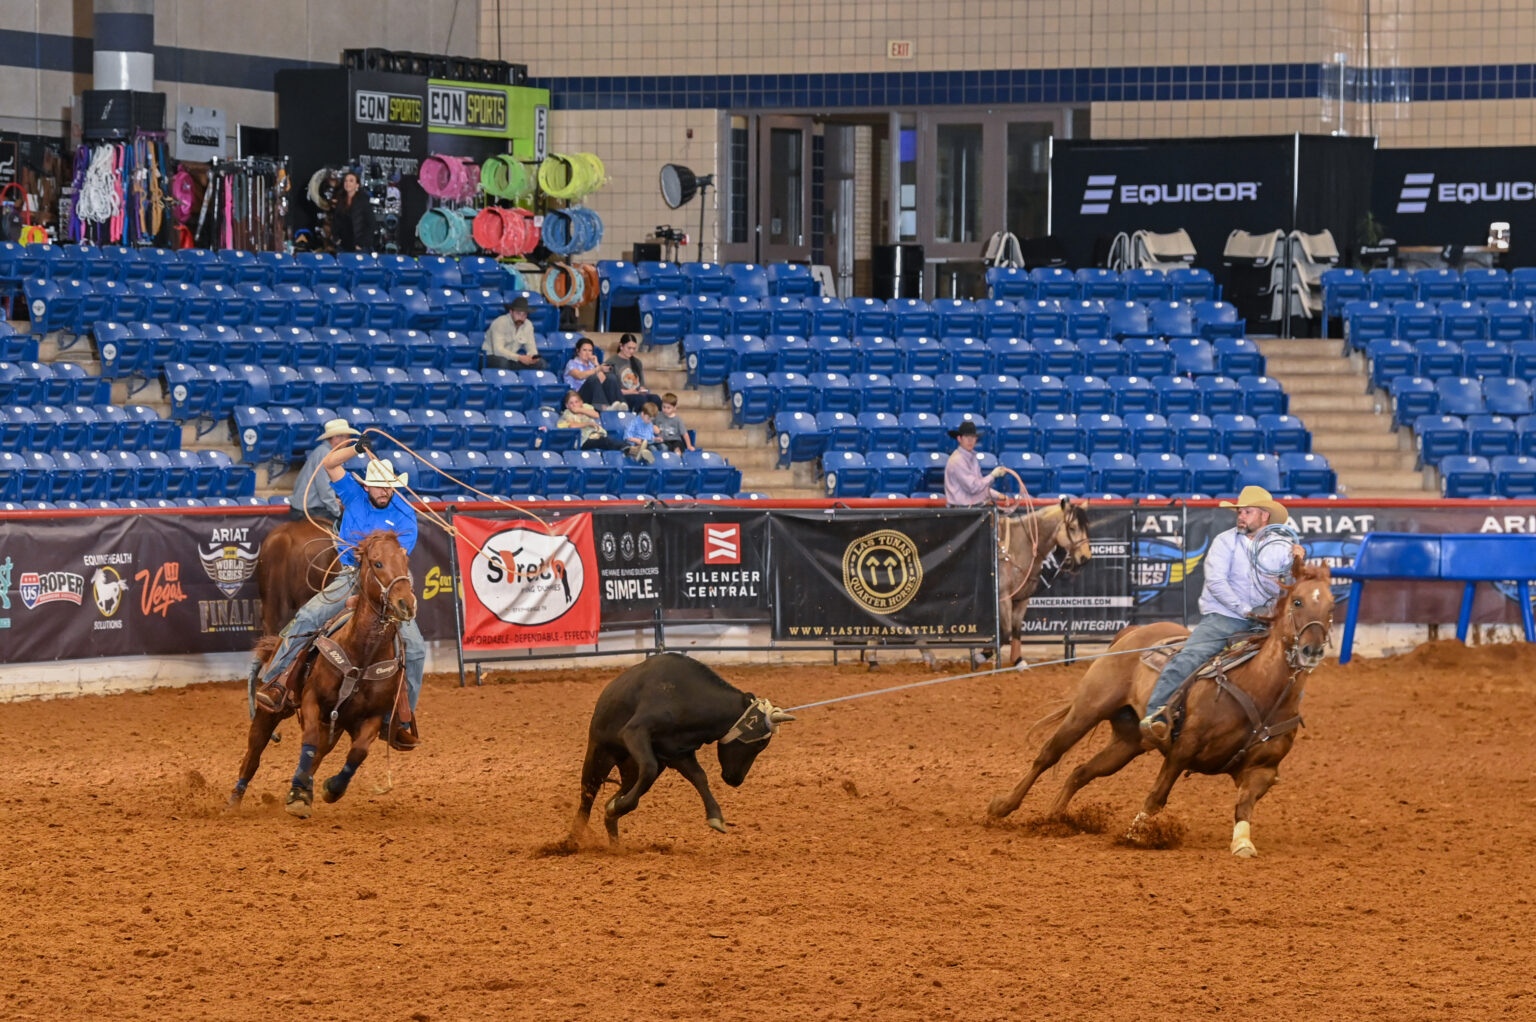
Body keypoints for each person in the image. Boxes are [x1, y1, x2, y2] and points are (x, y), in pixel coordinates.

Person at [254, 435, 426, 751]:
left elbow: (395, 559)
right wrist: (356, 448)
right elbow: (330, 463)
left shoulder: (405, 513)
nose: (384, 491)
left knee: (415, 649)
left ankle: (398, 718)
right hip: (350, 576)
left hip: (387, 584)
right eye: (378, 486)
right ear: (368, 487)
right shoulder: (353, 494)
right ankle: (277, 684)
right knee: (307, 616)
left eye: (389, 486)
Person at [1139, 486, 1306, 752]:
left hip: (1266, 623)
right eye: (1240, 511)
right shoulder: (1225, 541)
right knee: (1190, 657)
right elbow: (1217, 582)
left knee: (1292, 667)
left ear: (1264, 516)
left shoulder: (1282, 548)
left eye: (1247, 512)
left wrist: (1299, 562)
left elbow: (1294, 586)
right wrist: (1245, 610)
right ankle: (1156, 715)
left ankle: (1277, 722)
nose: (1241, 516)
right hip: (1225, 617)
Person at [289, 418, 358, 524]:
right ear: (336, 438)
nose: (347, 442)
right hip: (309, 510)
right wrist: (337, 511)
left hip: (303, 507)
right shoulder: (326, 455)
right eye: (346, 437)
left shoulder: (323, 451)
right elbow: (325, 489)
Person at [556, 390, 655, 462]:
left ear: (581, 402)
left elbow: (596, 415)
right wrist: (588, 424)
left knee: (609, 440)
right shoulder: (567, 413)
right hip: (583, 441)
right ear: (567, 406)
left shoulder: (586, 407)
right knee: (605, 441)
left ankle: (633, 451)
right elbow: (572, 426)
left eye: (576, 402)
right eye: (571, 403)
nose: (574, 405)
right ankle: (632, 450)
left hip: (597, 435)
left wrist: (580, 410)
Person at [943, 420, 1008, 506]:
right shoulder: (957, 461)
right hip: (962, 512)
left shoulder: (972, 458)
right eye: (967, 436)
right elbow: (973, 487)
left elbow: (979, 486)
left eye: (972, 437)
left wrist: (997, 495)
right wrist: (992, 476)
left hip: (969, 510)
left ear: (976, 439)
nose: (970, 440)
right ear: (959, 438)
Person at [482, 296, 546, 370]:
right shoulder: (500, 323)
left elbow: (531, 348)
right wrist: (519, 358)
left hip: (512, 359)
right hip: (490, 357)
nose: (521, 317)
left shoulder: (528, 325)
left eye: (524, 314)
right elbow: (498, 350)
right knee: (503, 363)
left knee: (541, 363)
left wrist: (533, 357)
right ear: (511, 312)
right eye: (518, 313)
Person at [563, 337, 626, 410]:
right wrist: (597, 369)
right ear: (578, 351)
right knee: (593, 378)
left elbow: (603, 381)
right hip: (578, 396)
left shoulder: (592, 365)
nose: (587, 353)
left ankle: (621, 405)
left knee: (611, 378)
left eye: (590, 351)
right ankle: (604, 407)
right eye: (584, 350)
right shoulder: (571, 363)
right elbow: (579, 376)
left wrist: (596, 364)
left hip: (594, 394)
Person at [606, 334, 655, 412]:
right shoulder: (611, 362)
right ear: (621, 346)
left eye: (634, 348)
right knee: (640, 399)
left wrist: (642, 390)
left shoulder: (637, 362)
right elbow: (613, 390)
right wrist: (631, 392)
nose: (631, 351)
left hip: (636, 393)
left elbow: (641, 384)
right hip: (622, 396)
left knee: (655, 398)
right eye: (629, 348)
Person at [330, 170, 374, 253]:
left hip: (359, 246)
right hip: (342, 246)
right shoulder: (341, 200)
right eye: (346, 181)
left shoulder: (363, 201)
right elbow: (335, 221)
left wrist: (361, 243)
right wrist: (335, 238)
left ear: (357, 185)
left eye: (351, 181)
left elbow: (371, 224)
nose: (347, 183)